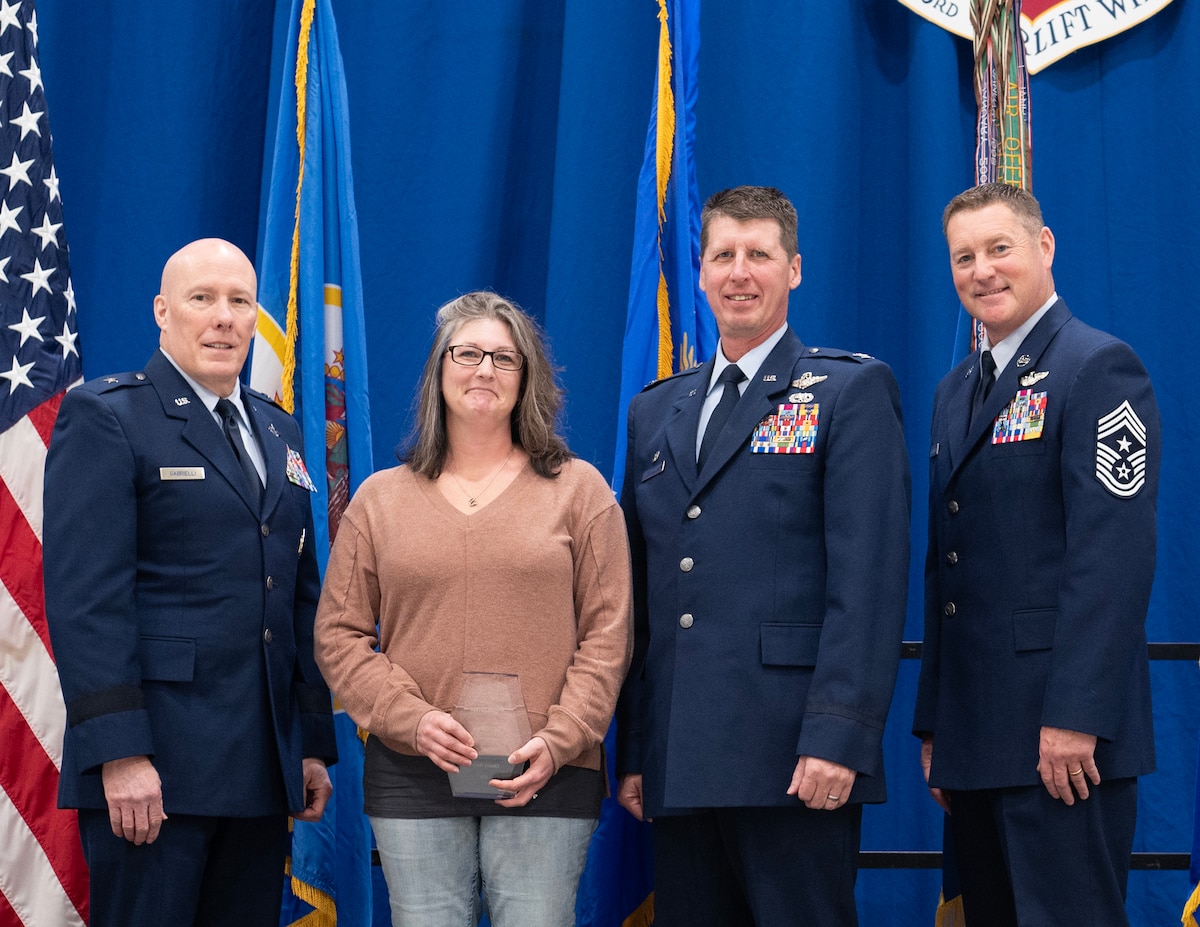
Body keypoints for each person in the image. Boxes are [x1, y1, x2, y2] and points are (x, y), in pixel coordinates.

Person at [616, 185, 911, 926]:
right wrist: (637, 750)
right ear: (702, 268)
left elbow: (867, 582)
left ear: (795, 269)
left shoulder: (848, 391)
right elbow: (645, 598)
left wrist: (839, 738)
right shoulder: (657, 409)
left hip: (794, 756)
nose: (739, 272)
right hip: (681, 757)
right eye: (723, 255)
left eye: (759, 255)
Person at [314, 291, 632, 927]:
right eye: (467, 353)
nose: (484, 370)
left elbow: (609, 632)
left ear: (527, 380)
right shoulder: (380, 500)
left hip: (545, 772)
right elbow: (339, 636)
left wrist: (562, 738)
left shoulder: (580, 491)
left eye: (504, 359)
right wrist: (410, 719)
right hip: (413, 773)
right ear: (439, 370)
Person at [42, 238, 337, 925]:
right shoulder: (109, 416)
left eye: (239, 301)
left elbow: (297, 590)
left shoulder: (279, 428)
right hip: (157, 769)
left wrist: (310, 741)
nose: (224, 318)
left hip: (260, 767)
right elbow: (88, 602)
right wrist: (120, 753)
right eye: (202, 299)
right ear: (162, 311)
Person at [914, 183, 1160, 926]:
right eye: (964, 256)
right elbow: (946, 565)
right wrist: (934, 722)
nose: (982, 270)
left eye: (999, 249)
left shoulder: (1099, 368)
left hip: (1064, 743)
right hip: (977, 737)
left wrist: (1075, 717)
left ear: (1043, 247)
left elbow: (1111, 561)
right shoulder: (955, 389)